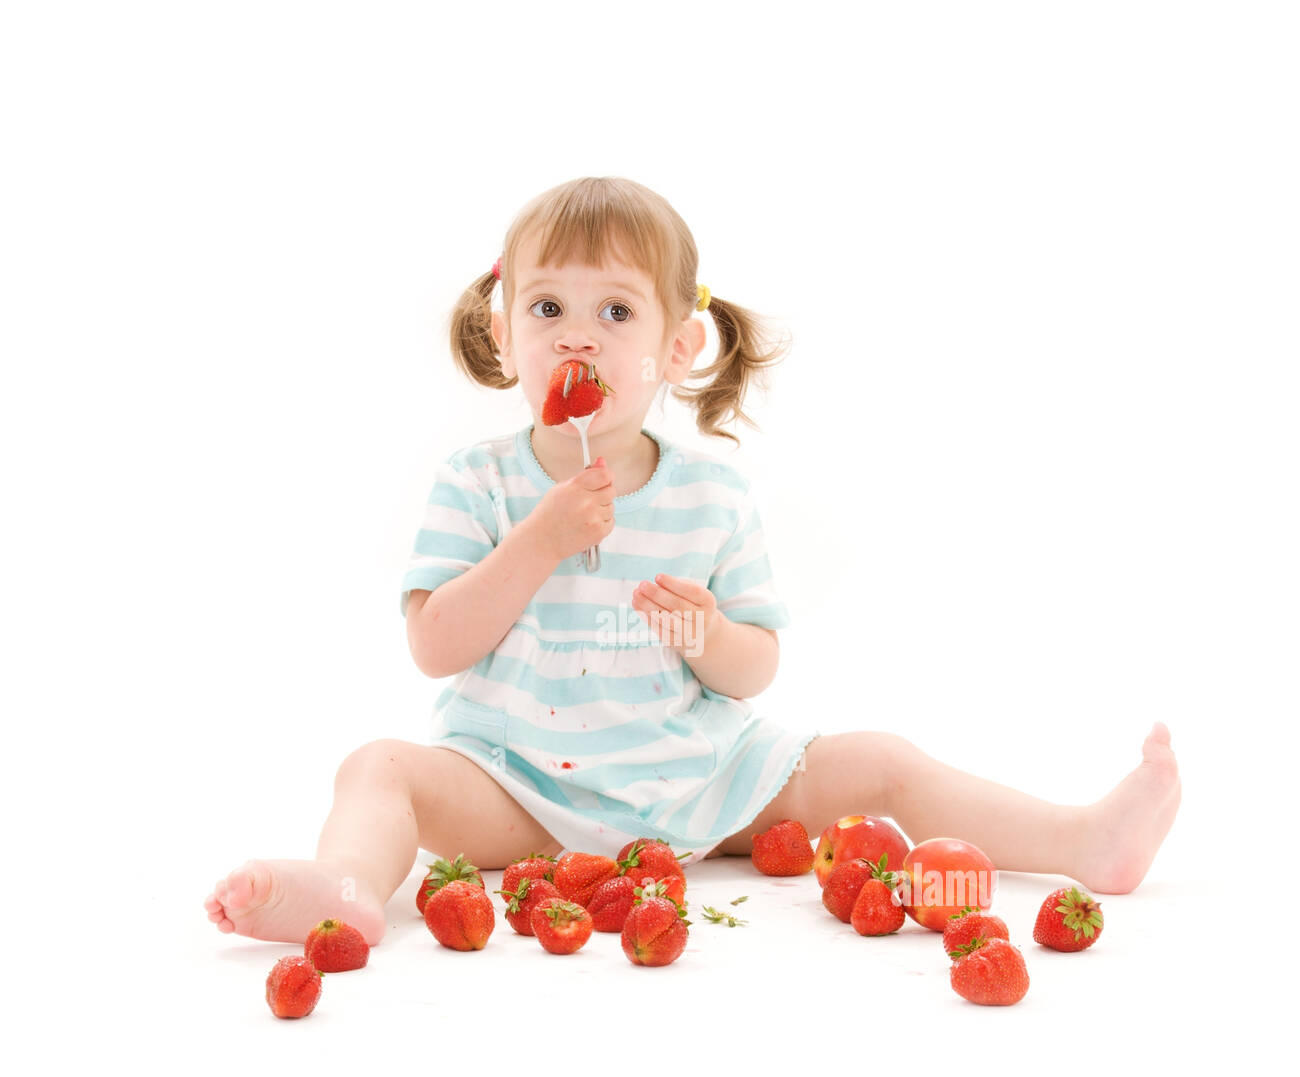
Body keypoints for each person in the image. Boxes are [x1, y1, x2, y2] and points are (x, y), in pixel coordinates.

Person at [204, 176, 1181, 945]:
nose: (577, 333)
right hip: (516, 791)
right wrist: (538, 539)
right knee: (375, 767)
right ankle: (343, 893)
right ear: (503, 336)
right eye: (546, 308)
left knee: (881, 760)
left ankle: (1081, 840)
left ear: (676, 349)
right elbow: (434, 645)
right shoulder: (478, 482)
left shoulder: (710, 492)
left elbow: (757, 664)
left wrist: (707, 635)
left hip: (706, 781)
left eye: (615, 313)